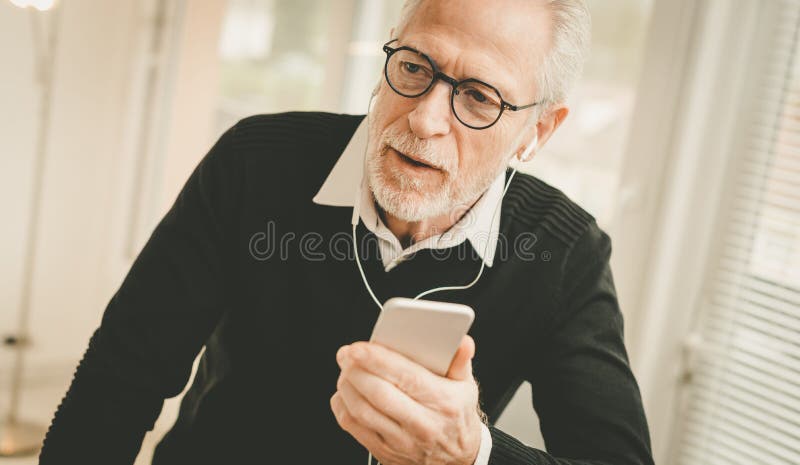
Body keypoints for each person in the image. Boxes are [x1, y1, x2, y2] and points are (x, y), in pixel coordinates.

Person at [39, 0, 654, 464]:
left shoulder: (566, 251)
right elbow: (118, 382)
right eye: (415, 67)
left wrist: (475, 454)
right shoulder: (255, 164)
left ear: (538, 132)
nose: (426, 116)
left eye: (478, 97)